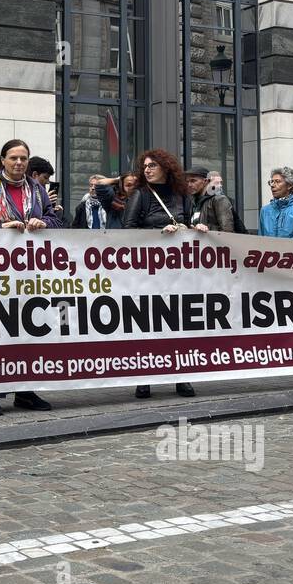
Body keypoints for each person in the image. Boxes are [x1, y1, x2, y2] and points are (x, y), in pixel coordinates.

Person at [0, 139, 66, 416]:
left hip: (31, 274)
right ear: (3, 160)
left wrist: (44, 222)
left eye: (24, 158)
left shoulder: (37, 190)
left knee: (30, 331)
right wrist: (1, 226)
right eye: (13, 158)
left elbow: (57, 220)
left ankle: (25, 391)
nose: (19, 163)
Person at [122, 149, 197, 399]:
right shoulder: (140, 195)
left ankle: (181, 377)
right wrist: (158, 234)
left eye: (152, 165)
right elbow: (128, 232)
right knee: (149, 325)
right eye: (145, 166)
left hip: (178, 272)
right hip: (149, 272)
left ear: (166, 167)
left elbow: (191, 223)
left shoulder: (182, 196)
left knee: (179, 324)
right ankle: (145, 378)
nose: (147, 169)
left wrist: (194, 229)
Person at [259, 166, 293, 239]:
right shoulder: (265, 211)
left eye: (277, 181)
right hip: (270, 250)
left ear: (289, 185)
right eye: (271, 182)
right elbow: (260, 241)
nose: (272, 185)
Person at [185, 165, 236, 232]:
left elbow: (227, 231)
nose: (189, 185)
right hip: (201, 242)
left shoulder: (219, 199)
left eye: (193, 181)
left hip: (215, 242)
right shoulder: (193, 201)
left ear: (205, 181)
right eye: (187, 181)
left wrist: (206, 229)